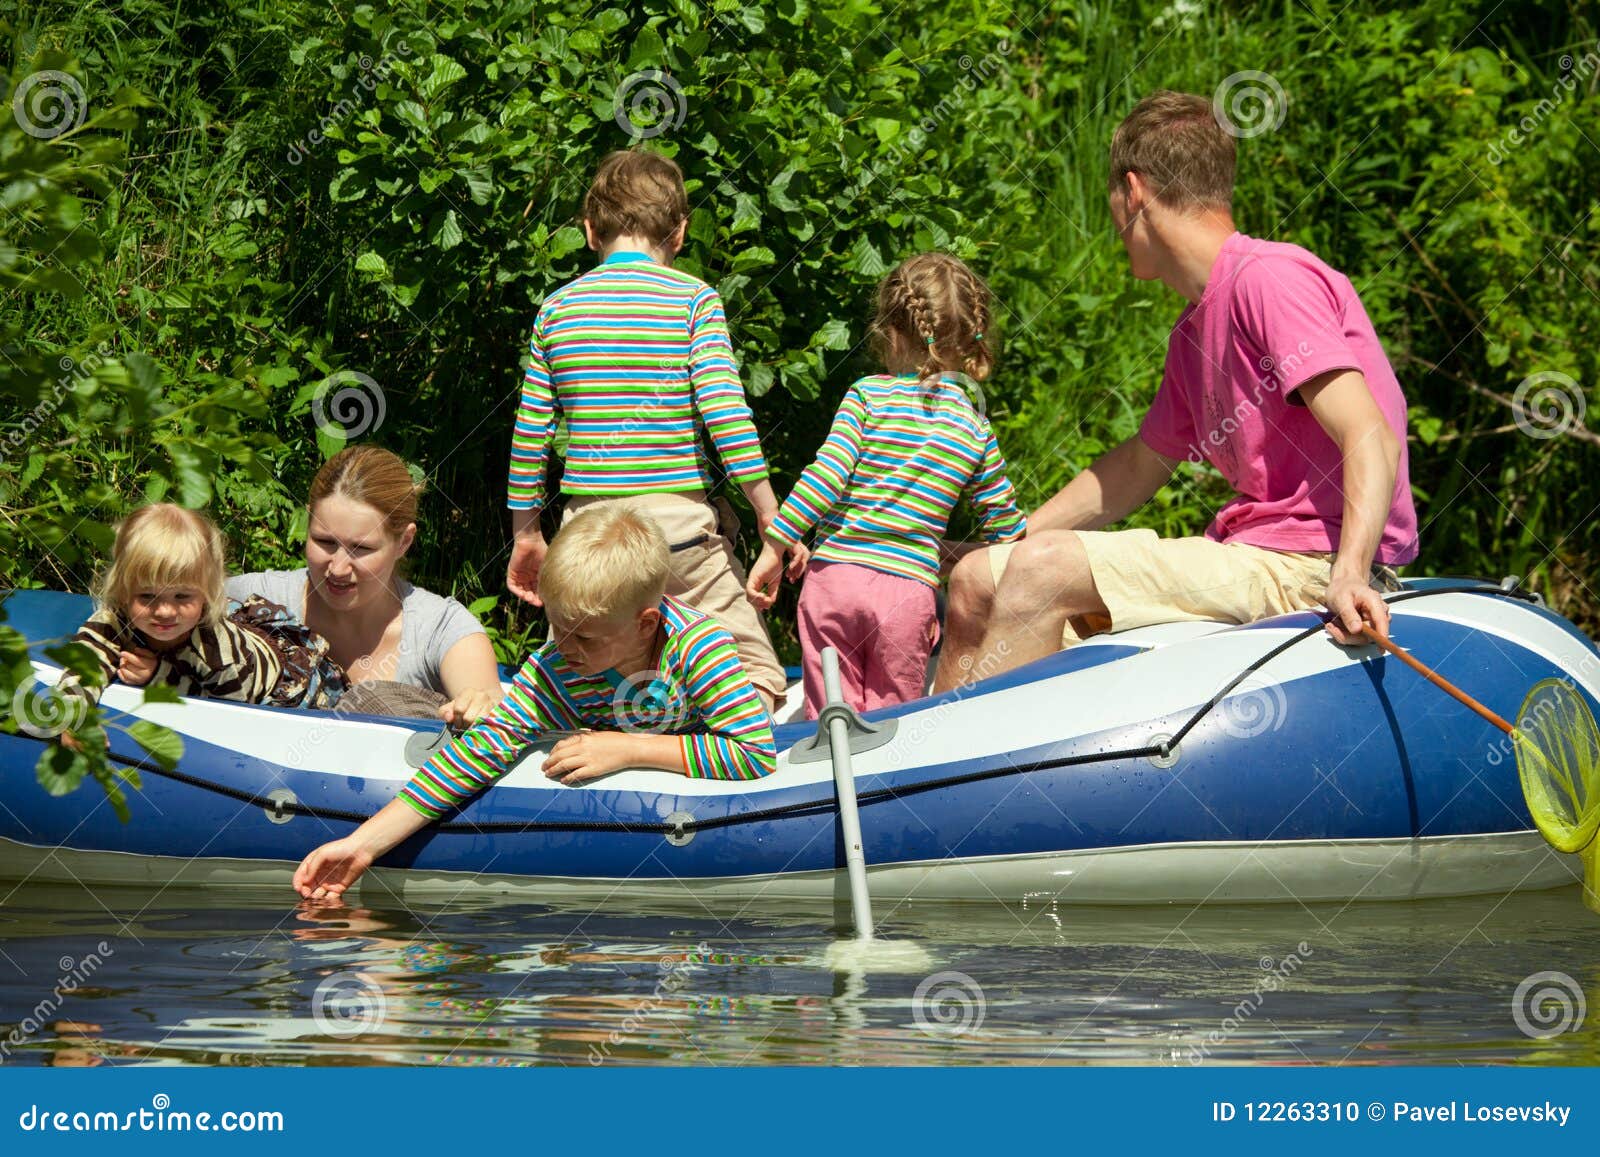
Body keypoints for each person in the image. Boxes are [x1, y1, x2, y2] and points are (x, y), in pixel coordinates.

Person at [934, 90, 1418, 691]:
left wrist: (1348, 573)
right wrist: (1006, 537)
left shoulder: (1268, 279)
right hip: (1250, 555)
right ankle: (928, 770)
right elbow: (1140, 464)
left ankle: (988, 777)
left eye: (1114, 199)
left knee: (1041, 571)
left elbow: (1367, 429)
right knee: (981, 577)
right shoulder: (1193, 328)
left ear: (1132, 192)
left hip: (1312, 565)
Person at [292, 504, 777, 902]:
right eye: (558, 628)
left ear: (645, 624)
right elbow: (476, 754)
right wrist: (361, 845)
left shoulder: (700, 648)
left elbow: (755, 752)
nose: (565, 647)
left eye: (583, 636)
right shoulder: (557, 667)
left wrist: (627, 750)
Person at [501, 149, 787, 712]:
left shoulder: (557, 310)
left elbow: (530, 435)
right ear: (679, 233)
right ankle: (699, 732)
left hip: (592, 541)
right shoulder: (693, 301)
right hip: (676, 534)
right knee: (759, 681)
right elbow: (726, 414)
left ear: (589, 231)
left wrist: (527, 534)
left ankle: (608, 739)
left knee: (581, 669)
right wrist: (767, 512)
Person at [747, 253, 1026, 716]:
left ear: (891, 332)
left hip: (834, 580)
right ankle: (889, 787)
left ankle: (823, 783)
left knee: (831, 720)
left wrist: (775, 548)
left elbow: (825, 478)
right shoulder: (974, 428)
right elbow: (1006, 528)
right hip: (906, 594)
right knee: (891, 723)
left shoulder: (867, 396)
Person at [227, 445, 502, 724]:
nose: (338, 568)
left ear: (404, 542)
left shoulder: (439, 630)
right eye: (325, 541)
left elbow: (489, 704)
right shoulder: (253, 598)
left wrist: (480, 705)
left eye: (361, 548)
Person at [54, 504, 346, 747]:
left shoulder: (218, 649)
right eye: (147, 596)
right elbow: (84, 661)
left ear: (206, 594)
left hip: (269, 683)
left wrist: (159, 676)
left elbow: (228, 716)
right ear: (122, 590)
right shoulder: (115, 617)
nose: (165, 611)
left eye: (182, 595)